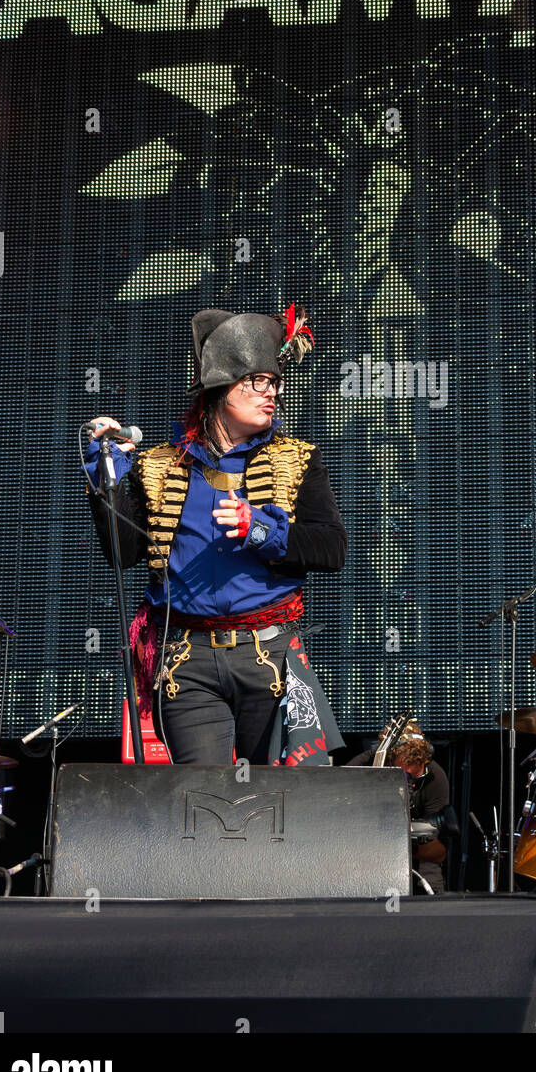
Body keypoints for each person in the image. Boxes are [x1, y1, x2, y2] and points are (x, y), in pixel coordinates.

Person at [84, 304, 347, 767]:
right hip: (187, 660)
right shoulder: (160, 466)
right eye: (258, 383)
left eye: (275, 383)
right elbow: (122, 553)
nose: (272, 394)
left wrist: (261, 530)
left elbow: (331, 548)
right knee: (201, 800)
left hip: (267, 653)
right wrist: (106, 482)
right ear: (221, 390)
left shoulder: (297, 459)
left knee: (278, 802)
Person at [347, 727, 452, 893]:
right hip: (366, 861)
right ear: (389, 760)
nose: (410, 783)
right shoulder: (363, 766)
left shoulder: (435, 777)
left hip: (419, 865)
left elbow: (438, 852)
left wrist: (403, 842)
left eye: (415, 777)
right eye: (403, 776)